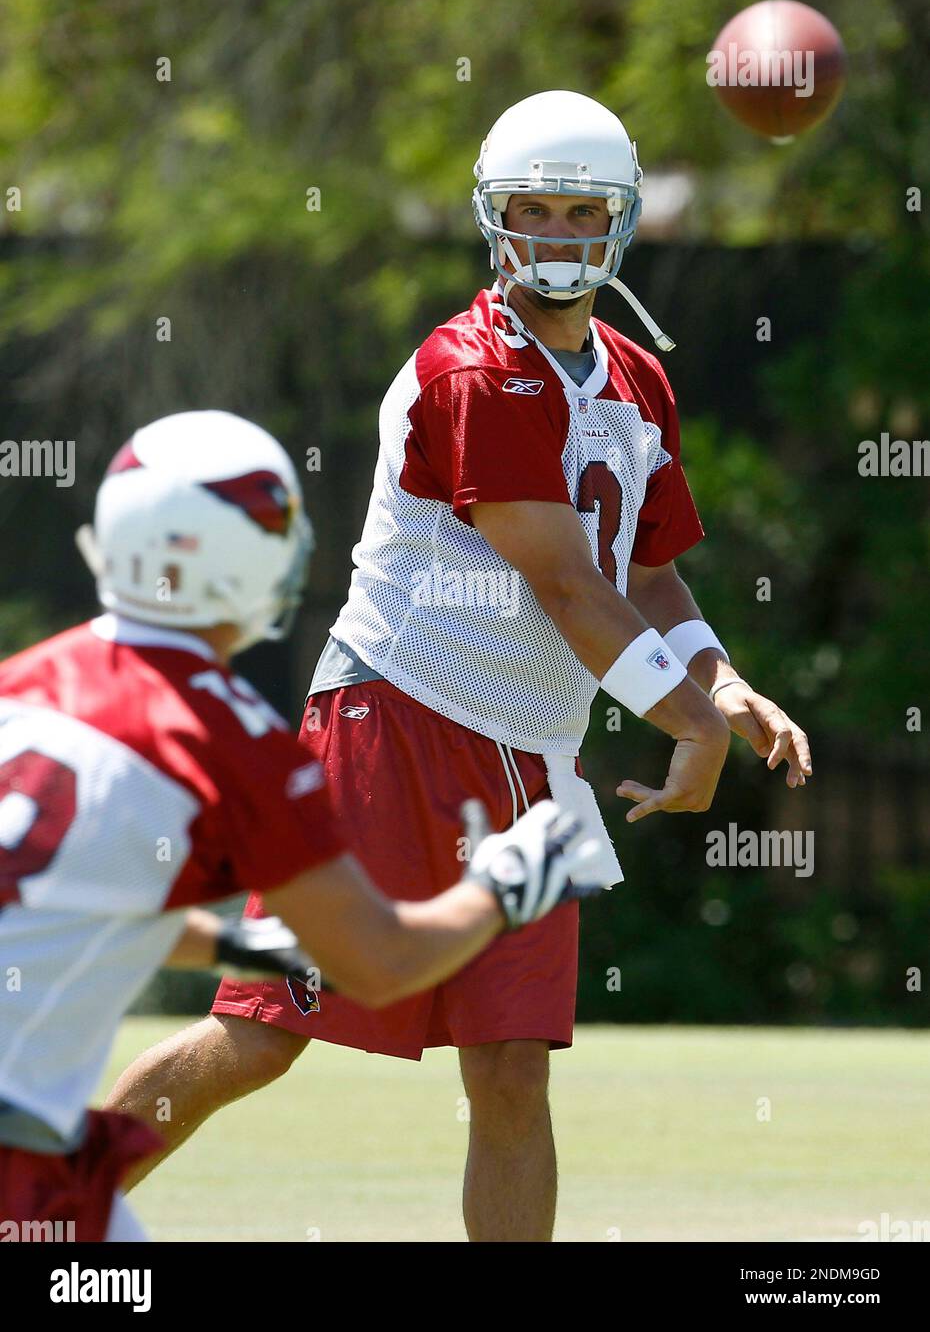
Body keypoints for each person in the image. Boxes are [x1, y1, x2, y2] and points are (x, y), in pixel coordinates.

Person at [107, 91, 812, 1243]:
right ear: (493, 220)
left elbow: (645, 574)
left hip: (530, 758)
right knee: (269, 1027)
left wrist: (720, 683)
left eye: (581, 210)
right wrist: (687, 726)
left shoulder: (636, 380)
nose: (556, 233)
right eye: (531, 208)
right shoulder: (470, 367)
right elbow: (563, 582)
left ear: (621, 221)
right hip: (394, 717)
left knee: (512, 1069)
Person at [0, 408, 611, 1241]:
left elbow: (50, 898)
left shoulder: (22, 686)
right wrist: (502, 888)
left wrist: (227, 945)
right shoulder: (233, 742)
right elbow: (383, 960)